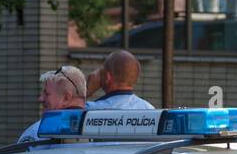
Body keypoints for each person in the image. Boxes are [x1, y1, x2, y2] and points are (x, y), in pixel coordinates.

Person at [18, 51, 155, 142]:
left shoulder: (89, 112)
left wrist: (85, 90)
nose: (41, 98)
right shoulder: (151, 112)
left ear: (106, 77)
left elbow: (69, 108)